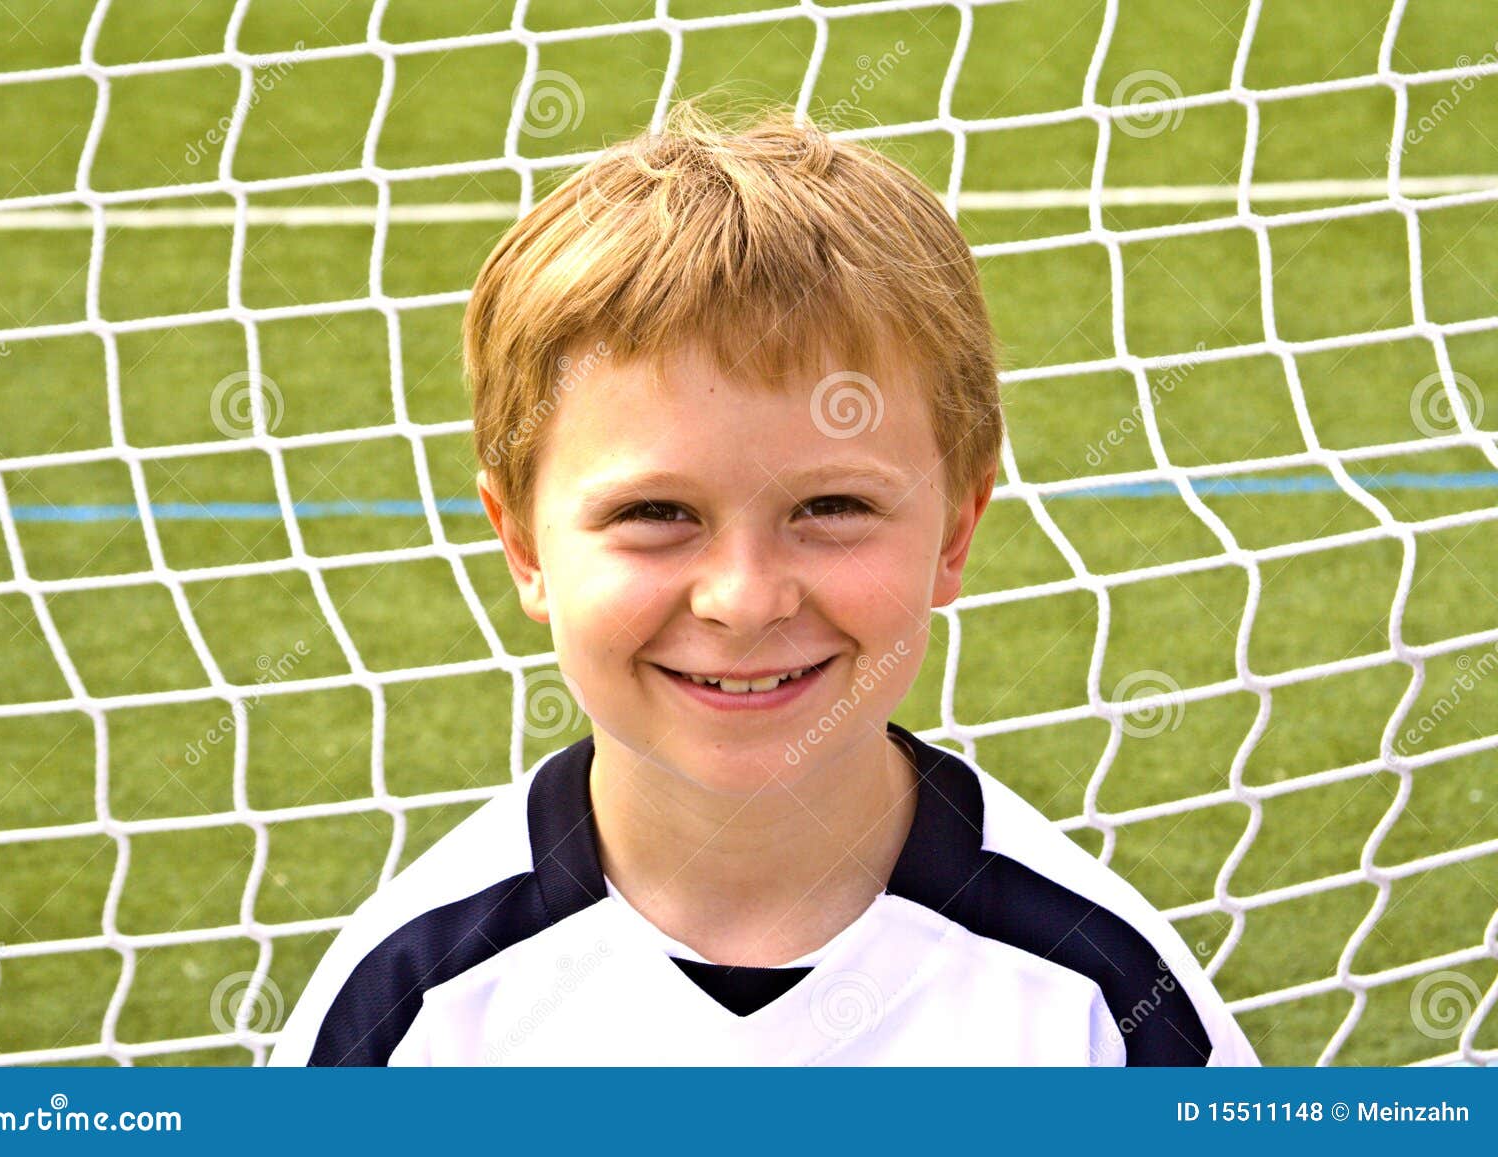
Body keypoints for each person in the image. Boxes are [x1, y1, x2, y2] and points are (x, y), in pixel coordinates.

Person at [269, 101, 1260, 1066]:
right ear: (523, 544)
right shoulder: (410, 1007)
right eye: (655, 515)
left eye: (830, 507)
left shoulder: (1101, 998)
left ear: (955, 528)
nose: (744, 599)